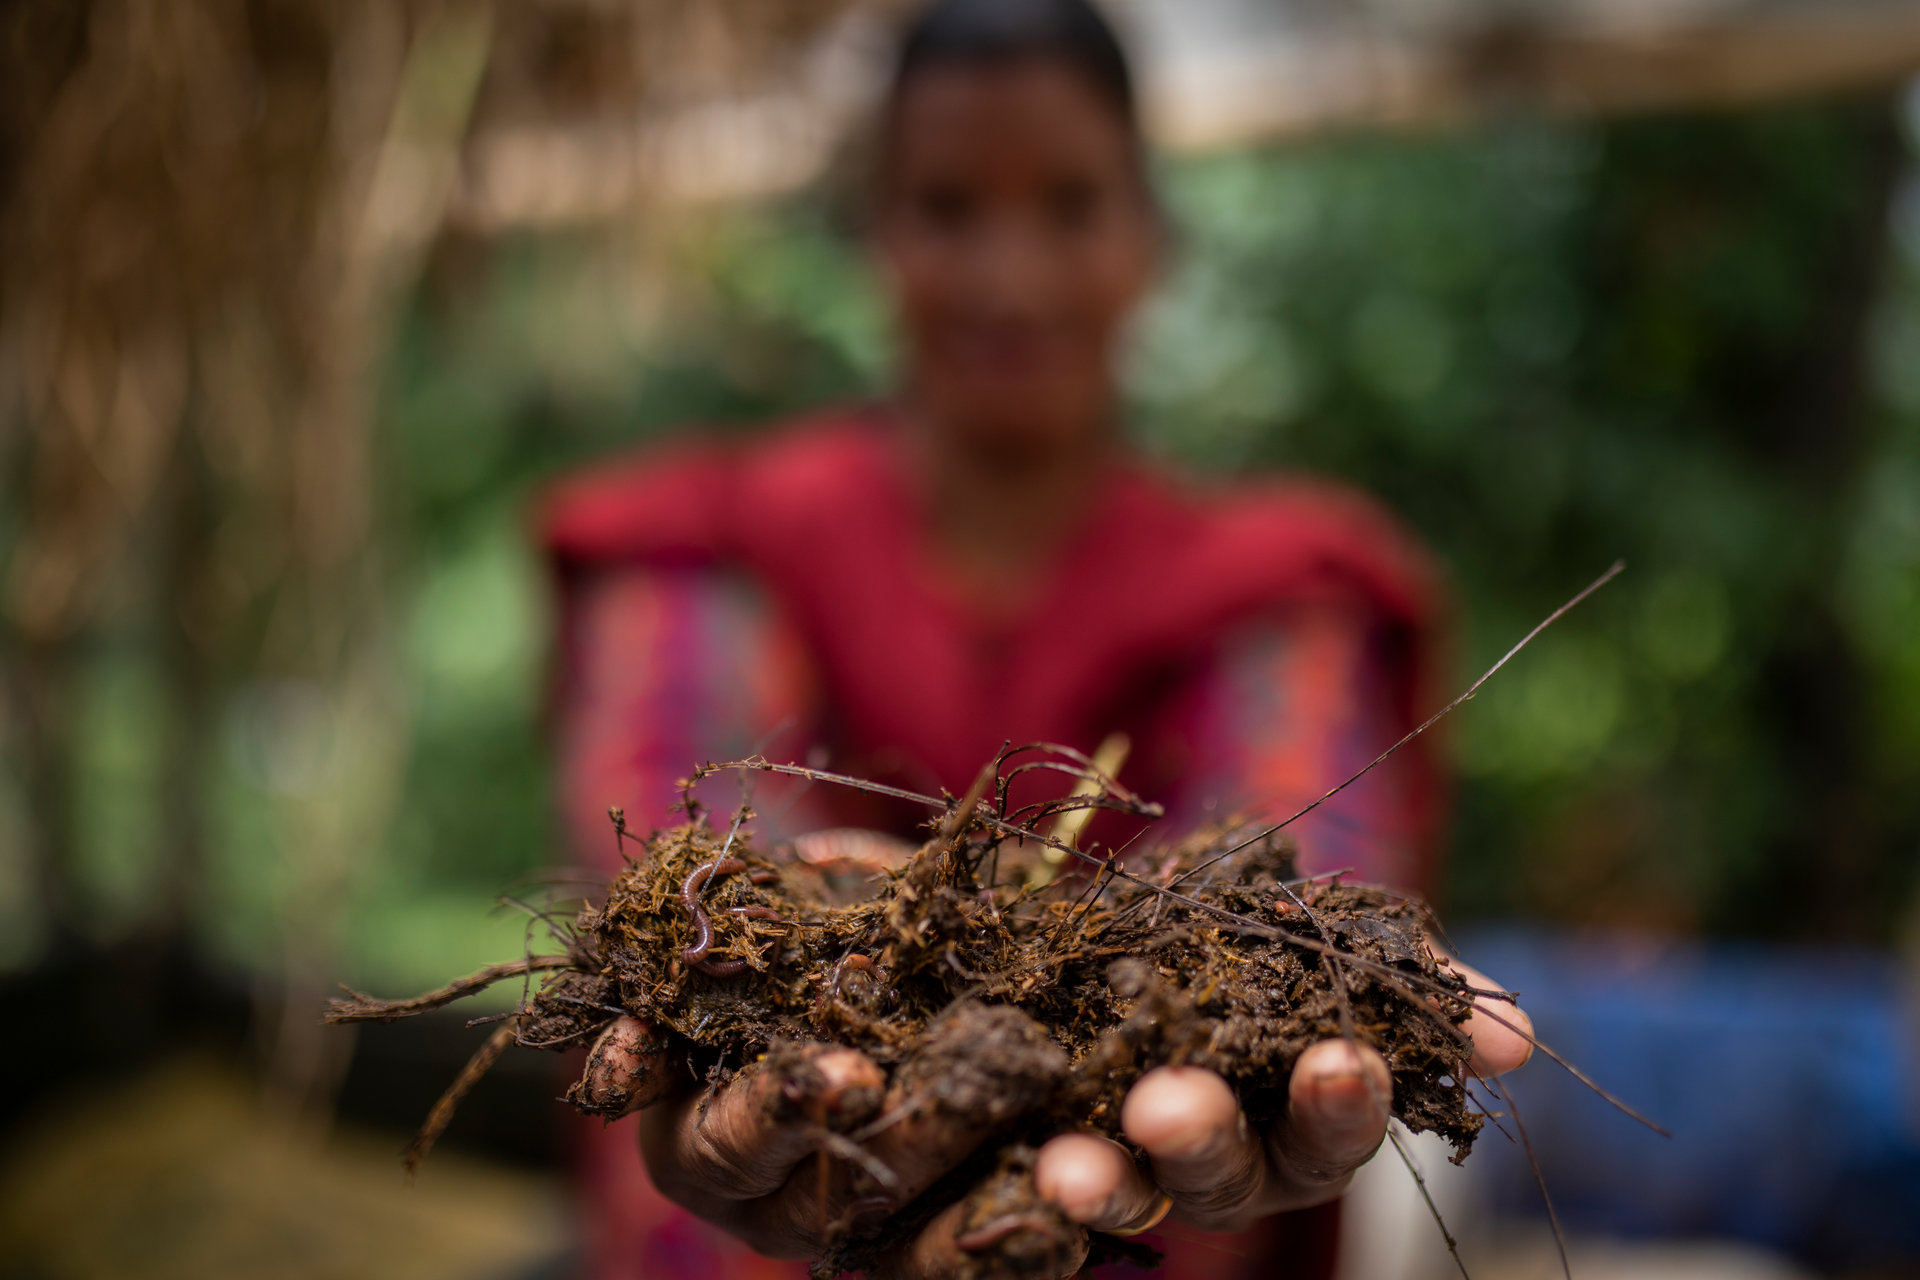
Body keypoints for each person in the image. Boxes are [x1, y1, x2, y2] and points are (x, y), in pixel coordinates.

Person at [538, 0, 1533, 1275]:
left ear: (1150, 235)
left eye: (1069, 205)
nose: (1010, 280)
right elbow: (676, 822)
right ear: (875, 232)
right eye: (949, 209)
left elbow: (1298, 840)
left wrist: (1219, 996)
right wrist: (798, 938)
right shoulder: (712, 545)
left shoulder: (1272, 583)